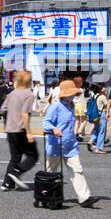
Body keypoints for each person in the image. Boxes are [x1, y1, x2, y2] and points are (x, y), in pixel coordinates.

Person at [41, 79, 99, 208]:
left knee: (77, 170)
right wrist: (54, 129)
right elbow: (45, 122)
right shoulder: (56, 106)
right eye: (71, 93)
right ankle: (46, 196)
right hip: (55, 144)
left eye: (74, 93)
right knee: (50, 173)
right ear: (65, 94)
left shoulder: (71, 105)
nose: (74, 95)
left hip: (70, 145)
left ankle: (84, 198)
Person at [1, 70, 38, 191]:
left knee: (15, 157)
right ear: (28, 81)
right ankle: (17, 171)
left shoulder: (12, 94)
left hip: (10, 129)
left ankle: (7, 183)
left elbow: (3, 109)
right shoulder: (28, 95)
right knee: (33, 156)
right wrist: (29, 132)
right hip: (20, 130)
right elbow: (25, 114)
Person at [87, 83, 109, 153]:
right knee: (102, 131)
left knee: (96, 130)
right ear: (101, 89)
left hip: (96, 116)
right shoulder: (102, 96)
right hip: (102, 115)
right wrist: (108, 114)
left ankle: (91, 141)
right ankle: (99, 148)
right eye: (104, 87)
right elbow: (107, 105)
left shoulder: (95, 96)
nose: (105, 88)